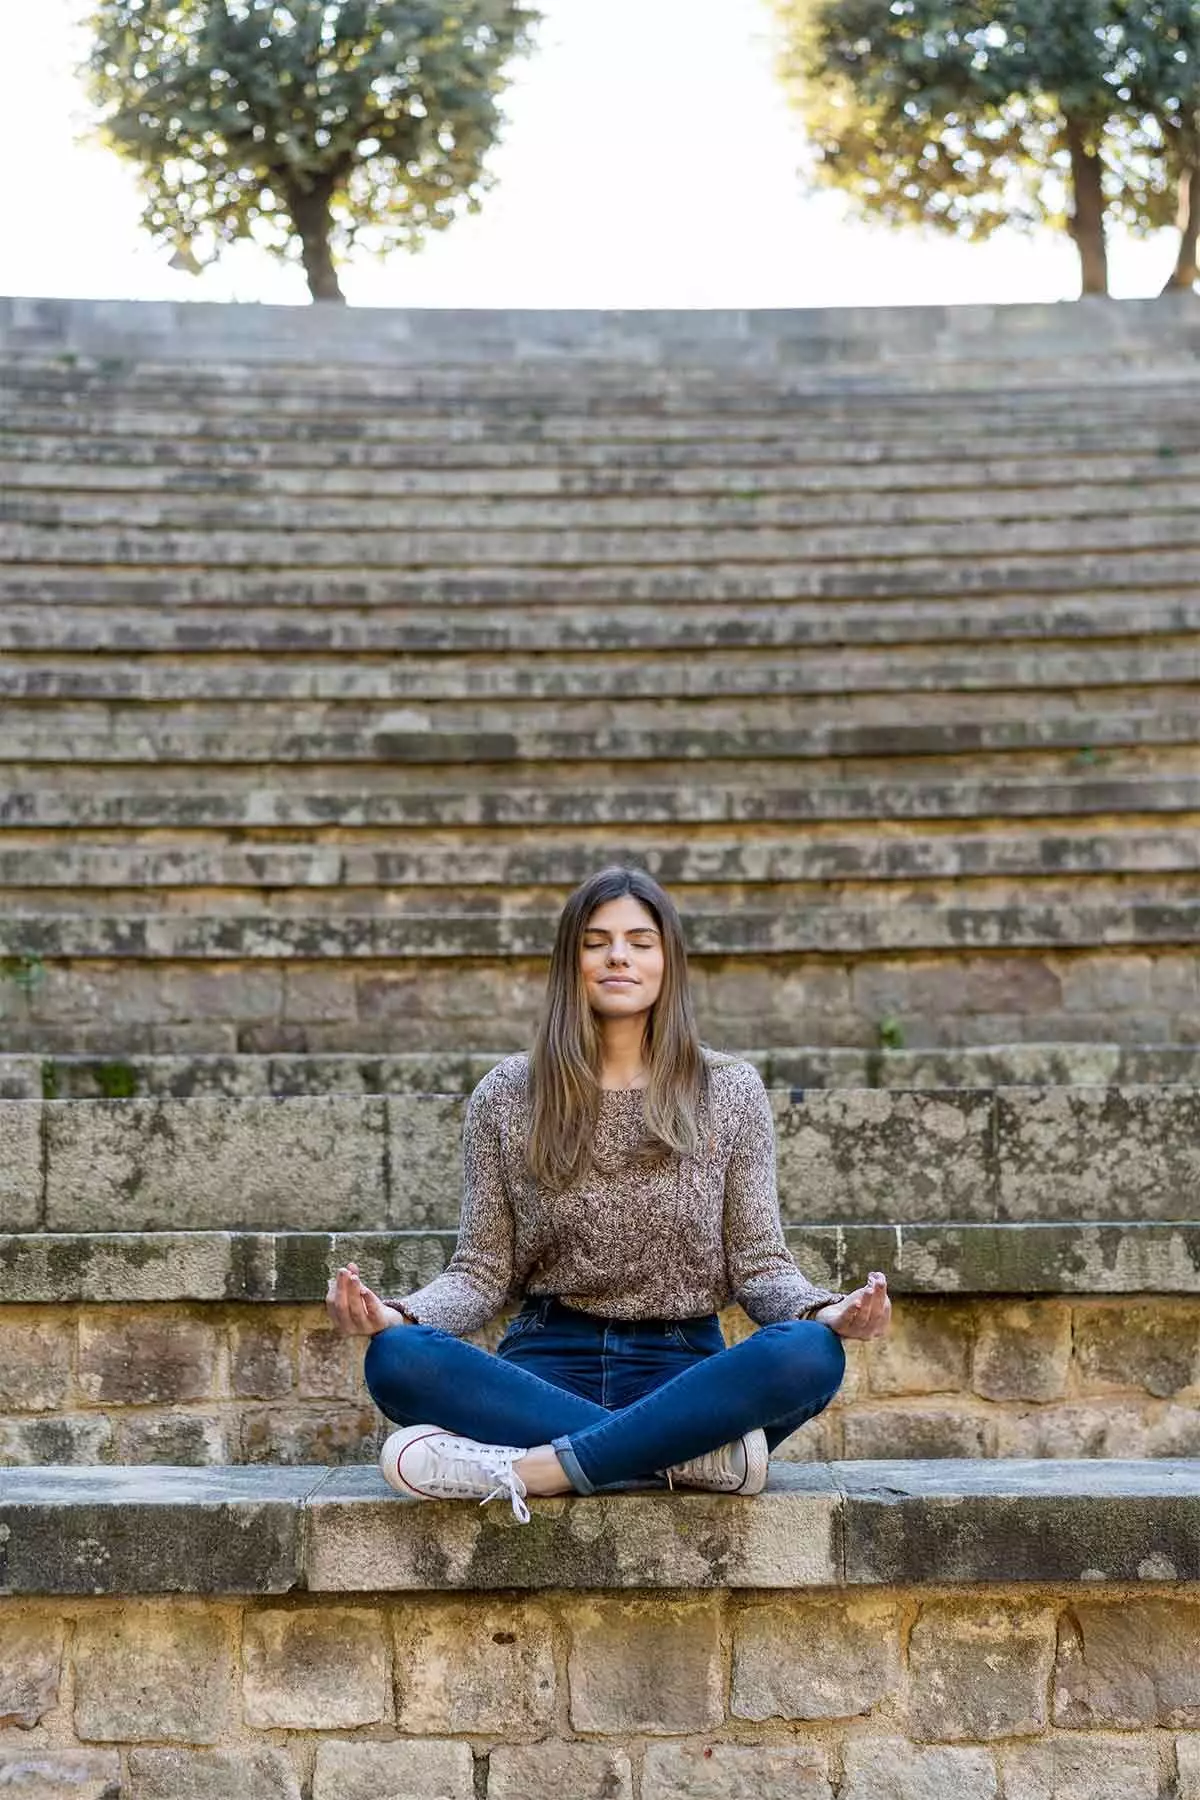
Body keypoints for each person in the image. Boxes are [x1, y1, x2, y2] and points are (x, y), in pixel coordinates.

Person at [326, 865, 891, 1525]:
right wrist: (397, 1316)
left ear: (666, 961)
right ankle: (681, 1459)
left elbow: (761, 1266)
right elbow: (480, 1273)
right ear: (573, 961)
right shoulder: (508, 1094)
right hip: (543, 1367)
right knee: (398, 1359)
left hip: (685, 1372)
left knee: (808, 1354)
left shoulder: (729, 1090)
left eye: (639, 941)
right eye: (596, 941)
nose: (618, 954)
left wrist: (828, 1314)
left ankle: (538, 1469)